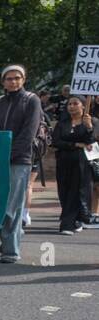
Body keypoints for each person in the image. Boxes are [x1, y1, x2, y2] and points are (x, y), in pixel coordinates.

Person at [0, 64, 42, 263]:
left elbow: (28, 133)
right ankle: (12, 237)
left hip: (19, 160)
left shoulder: (32, 100)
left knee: (12, 208)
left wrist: (8, 154)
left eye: (17, 78)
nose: (13, 81)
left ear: (23, 80)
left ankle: (10, 250)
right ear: (3, 82)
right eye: (9, 78)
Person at [52, 95, 95, 235]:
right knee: (64, 191)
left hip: (81, 162)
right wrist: (75, 144)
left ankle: (67, 224)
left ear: (83, 105)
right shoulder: (62, 123)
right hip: (63, 161)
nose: (71, 106)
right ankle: (76, 219)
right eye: (70, 104)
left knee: (76, 192)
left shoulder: (92, 122)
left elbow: (91, 143)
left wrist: (89, 128)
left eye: (75, 103)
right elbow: (56, 142)